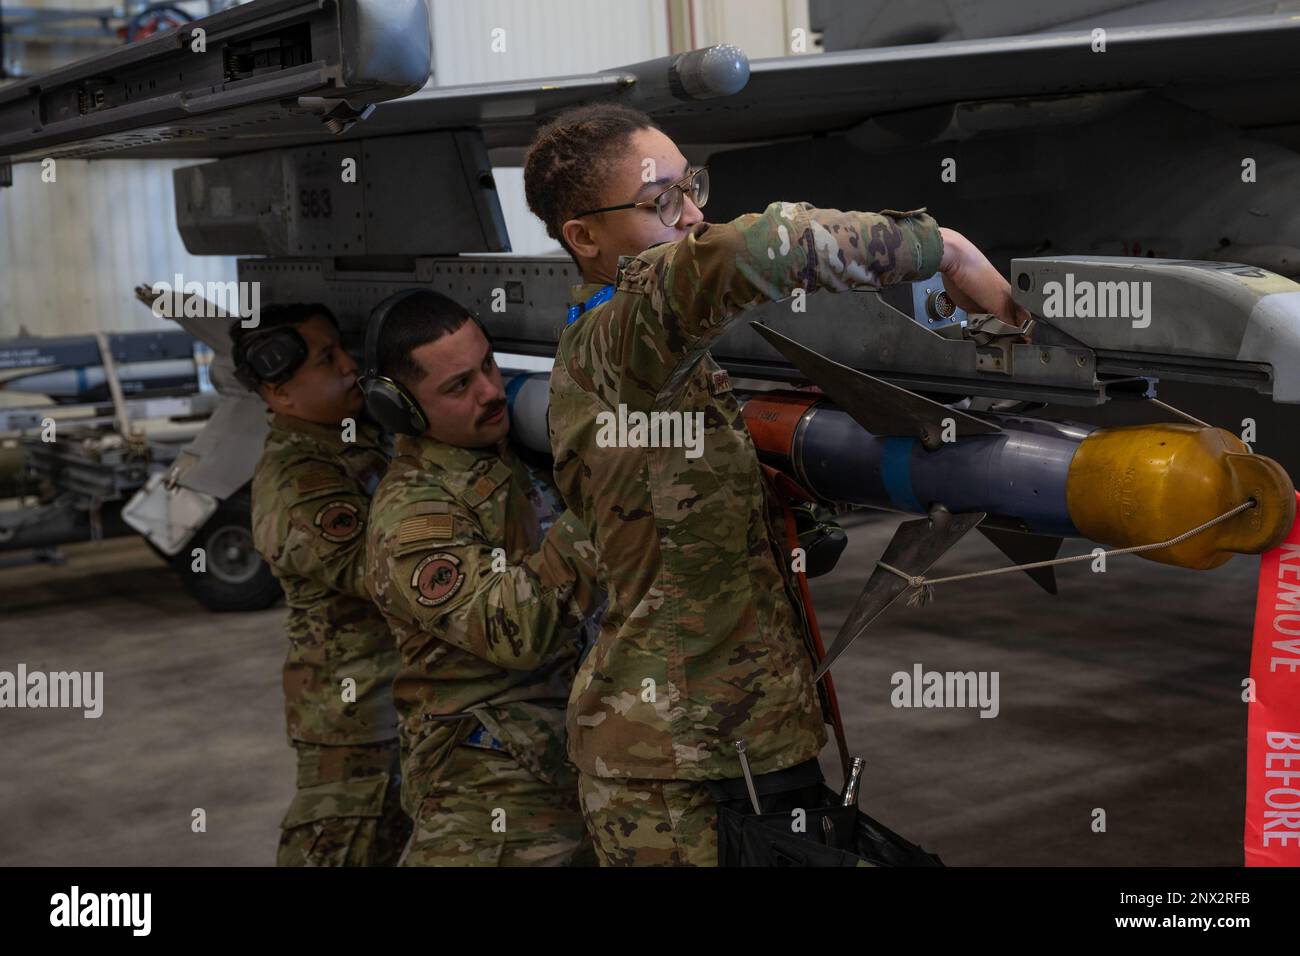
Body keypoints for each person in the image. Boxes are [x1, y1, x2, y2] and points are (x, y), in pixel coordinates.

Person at [523, 103, 1026, 865]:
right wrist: (945, 250)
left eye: (692, 187)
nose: (692, 214)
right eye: (661, 202)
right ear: (585, 239)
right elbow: (741, 251)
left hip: (742, 743)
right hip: (680, 773)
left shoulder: (661, 361)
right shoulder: (618, 333)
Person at [361, 289, 601, 866]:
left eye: (488, 364)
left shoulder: (500, 451)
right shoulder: (414, 516)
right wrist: (603, 496)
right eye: (458, 385)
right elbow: (517, 631)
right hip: (488, 786)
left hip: (564, 754)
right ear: (404, 410)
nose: (491, 391)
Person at [234, 303, 410, 866]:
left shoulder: (352, 438)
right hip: (353, 728)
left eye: (342, 348)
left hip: (393, 708)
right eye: (326, 358)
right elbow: (385, 576)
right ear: (280, 394)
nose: (347, 364)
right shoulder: (299, 482)